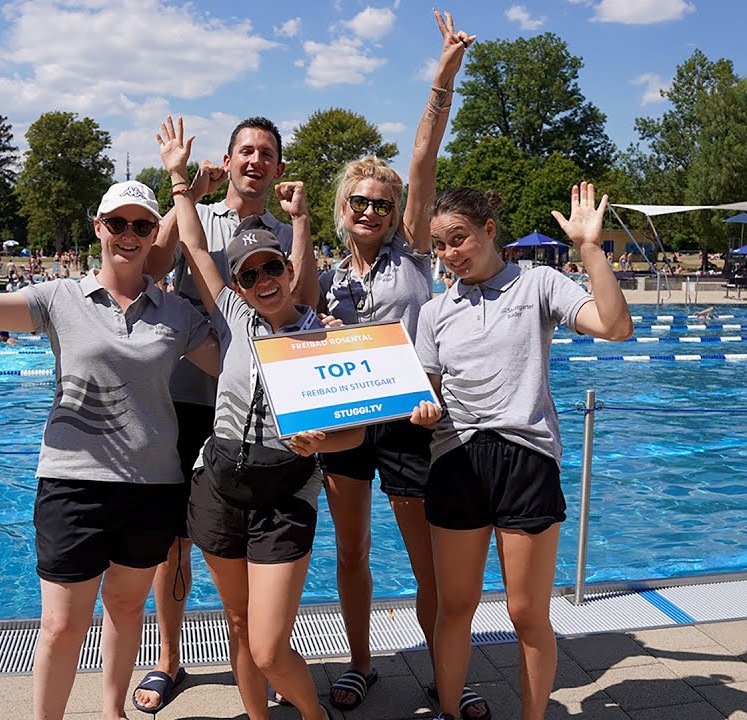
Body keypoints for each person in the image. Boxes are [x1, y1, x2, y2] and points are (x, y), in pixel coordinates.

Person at [0, 153, 218, 720]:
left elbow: (234, 362)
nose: (129, 235)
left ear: (155, 235)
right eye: (118, 223)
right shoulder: (59, 298)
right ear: (98, 227)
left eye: (142, 225)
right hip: (73, 484)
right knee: (60, 625)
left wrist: (302, 333)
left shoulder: (175, 313)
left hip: (153, 487)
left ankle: (112, 712)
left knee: (127, 612)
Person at [159, 116, 362, 720]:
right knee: (240, 624)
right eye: (249, 274)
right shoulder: (231, 315)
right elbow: (195, 247)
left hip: (285, 492)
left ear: (286, 269)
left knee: (271, 644)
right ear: (238, 285)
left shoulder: (317, 338)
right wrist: (177, 181)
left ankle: (313, 713)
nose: (263, 280)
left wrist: (320, 441)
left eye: (271, 268)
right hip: (220, 483)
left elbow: (355, 430)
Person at [413, 182, 632, 720]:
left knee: (528, 612)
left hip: (526, 458)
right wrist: (423, 408)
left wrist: (589, 248)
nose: (450, 254)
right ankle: (447, 710)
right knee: (455, 608)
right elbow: (428, 392)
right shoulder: (435, 312)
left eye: (459, 238)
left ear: (489, 231)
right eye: (440, 245)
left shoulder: (537, 285)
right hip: (456, 460)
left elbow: (615, 326)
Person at [315, 10, 473, 713]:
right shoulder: (323, 276)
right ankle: (360, 663)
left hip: (412, 417)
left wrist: (441, 78)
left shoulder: (412, 247)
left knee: (425, 561)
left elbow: (422, 158)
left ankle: (445, 671)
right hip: (350, 421)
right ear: (341, 208)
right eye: (359, 200)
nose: (371, 209)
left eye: (381, 202)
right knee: (351, 554)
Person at [134, 114, 319, 713]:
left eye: (267, 153)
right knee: (176, 541)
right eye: (246, 151)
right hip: (191, 402)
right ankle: (167, 658)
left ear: (278, 167)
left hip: (267, 417)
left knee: (264, 554)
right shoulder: (202, 210)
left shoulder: (281, 231)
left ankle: (270, 663)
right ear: (231, 158)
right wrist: (181, 187)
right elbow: (159, 263)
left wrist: (301, 225)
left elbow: (306, 307)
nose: (256, 161)